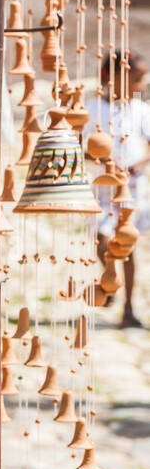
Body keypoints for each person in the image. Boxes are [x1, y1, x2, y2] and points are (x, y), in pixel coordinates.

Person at [85, 51, 150, 328]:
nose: (141, 84)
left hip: (131, 189)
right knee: (100, 242)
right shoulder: (90, 107)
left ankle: (128, 307)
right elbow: (79, 145)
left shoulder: (140, 110)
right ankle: (111, 278)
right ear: (112, 77)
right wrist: (99, 159)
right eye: (136, 78)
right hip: (101, 187)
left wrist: (137, 164)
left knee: (127, 245)